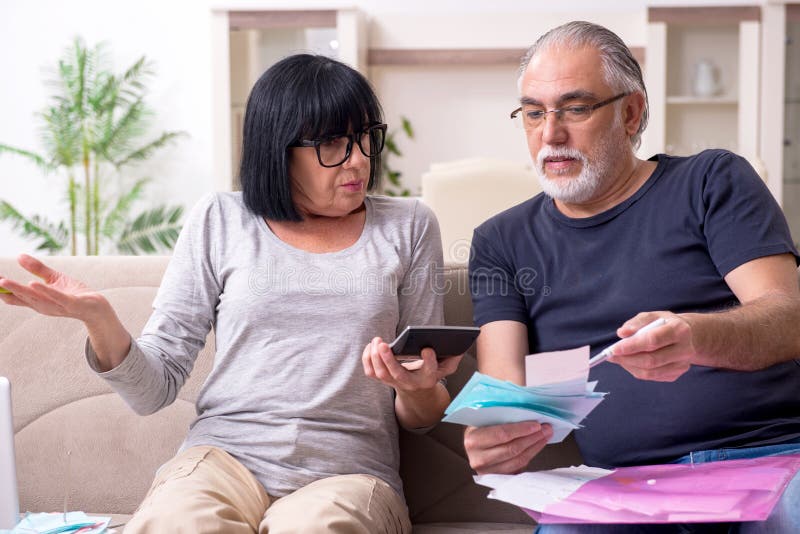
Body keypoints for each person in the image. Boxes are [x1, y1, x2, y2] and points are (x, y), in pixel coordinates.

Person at [0, 54, 461, 533]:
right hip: (223, 461)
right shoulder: (220, 219)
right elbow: (152, 391)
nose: (359, 159)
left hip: (347, 472)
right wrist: (101, 322)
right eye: (332, 144)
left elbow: (424, 415)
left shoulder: (409, 226)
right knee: (177, 522)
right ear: (277, 148)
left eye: (365, 137)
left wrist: (418, 386)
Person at [463, 21, 800, 533]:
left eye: (575, 108)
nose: (550, 134)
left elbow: (789, 317)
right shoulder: (499, 242)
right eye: (533, 113)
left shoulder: (711, 181)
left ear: (631, 112)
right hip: (624, 493)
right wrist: (497, 435)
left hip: (772, 462)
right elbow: (504, 391)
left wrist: (697, 336)